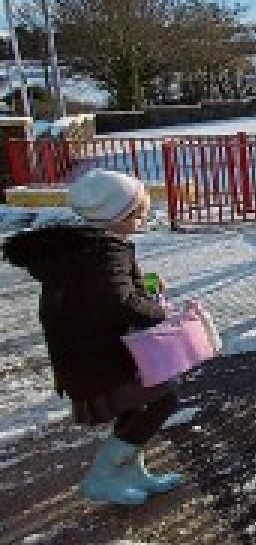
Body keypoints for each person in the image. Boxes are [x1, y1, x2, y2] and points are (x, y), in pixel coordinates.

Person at [2, 170, 183, 506]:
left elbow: (102, 294)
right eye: (138, 214)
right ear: (117, 216)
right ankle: (103, 476)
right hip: (99, 354)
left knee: (142, 404)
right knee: (163, 399)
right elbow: (119, 303)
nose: (143, 220)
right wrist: (160, 313)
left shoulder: (83, 247)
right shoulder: (104, 251)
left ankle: (129, 470)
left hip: (83, 352)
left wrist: (141, 288)